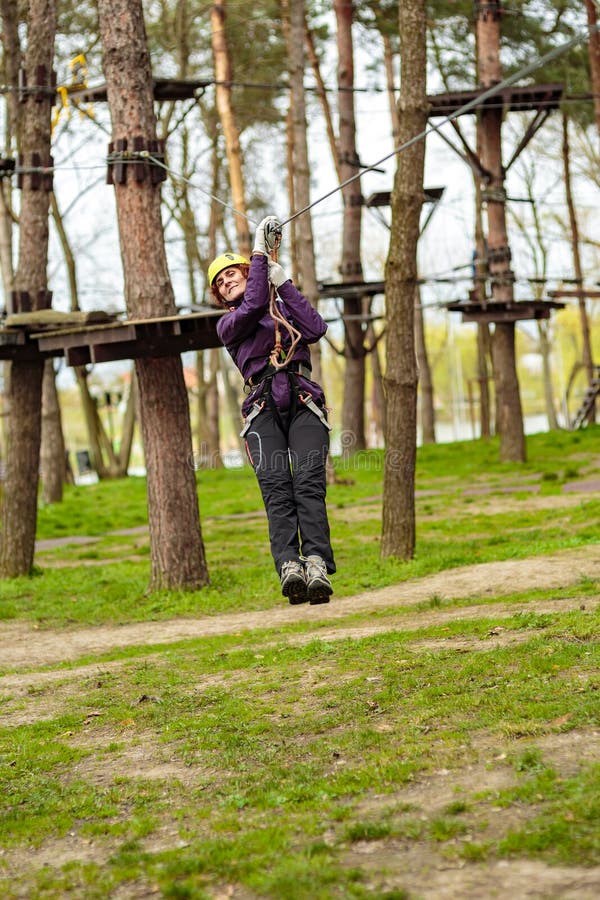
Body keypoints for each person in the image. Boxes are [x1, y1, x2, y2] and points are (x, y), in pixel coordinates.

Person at [209, 215, 335, 605]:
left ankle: (315, 562)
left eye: (234, 274)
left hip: (301, 400)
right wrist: (260, 253)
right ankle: (289, 565)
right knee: (277, 489)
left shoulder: (282, 304)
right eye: (220, 282)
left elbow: (315, 329)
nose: (228, 281)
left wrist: (284, 283)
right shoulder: (230, 324)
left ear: (249, 275)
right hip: (262, 406)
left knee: (308, 485)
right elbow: (250, 309)